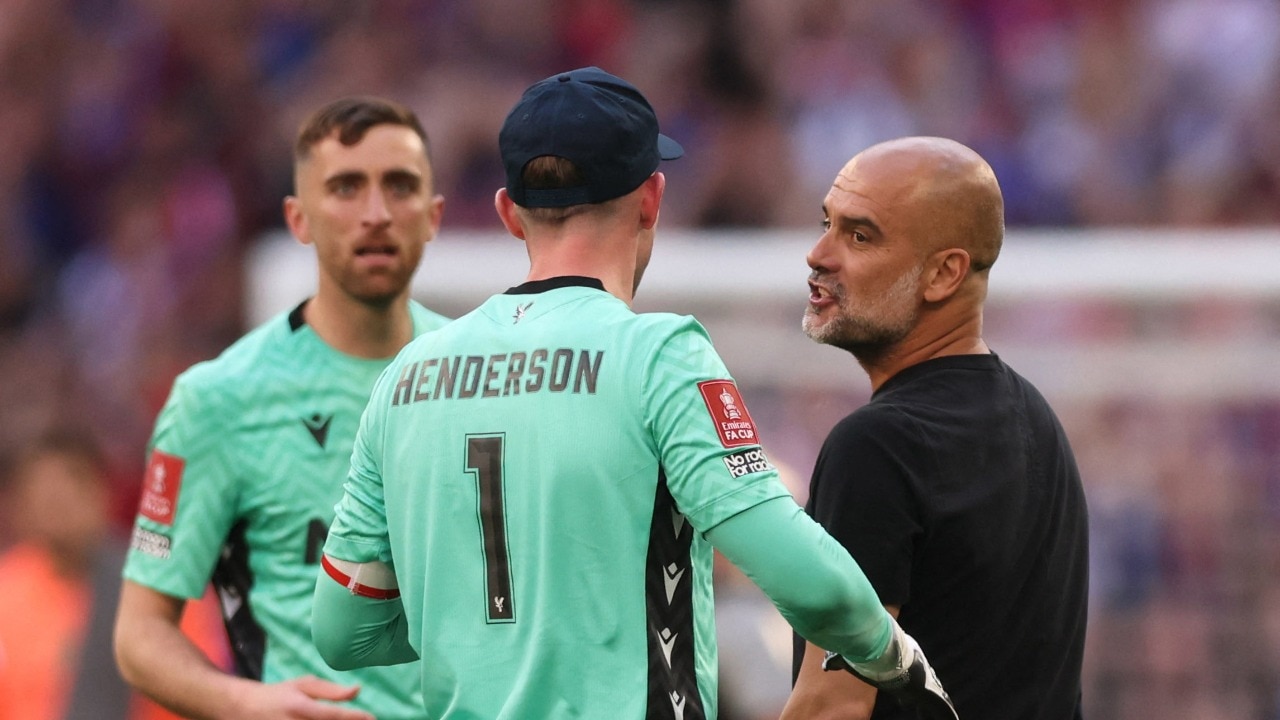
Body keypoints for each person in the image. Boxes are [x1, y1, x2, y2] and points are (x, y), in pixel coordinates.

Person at [309, 67, 957, 720]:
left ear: (510, 213)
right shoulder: (660, 357)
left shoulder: (405, 377)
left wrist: (469, 625)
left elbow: (343, 630)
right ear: (651, 198)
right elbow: (806, 580)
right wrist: (897, 659)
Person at [113, 96, 451, 720]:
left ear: (433, 215)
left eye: (399, 187)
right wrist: (244, 703)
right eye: (346, 187)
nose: (375, 214)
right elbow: (140, 636)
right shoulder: (218, 400)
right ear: (299, 219)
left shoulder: (479, 376)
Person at [782, 136, 1089, 720]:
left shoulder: (878, 448)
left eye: (859, 235)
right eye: (827, 223)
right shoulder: (1040, 423)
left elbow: (834, 707)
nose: (818, 254)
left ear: (944, 274)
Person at [0, 430, 227, 720]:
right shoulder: (6, 591)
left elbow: (201, 691)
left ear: (102, 490)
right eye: (44, 493)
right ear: (22, 505)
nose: (58, 505)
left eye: (71, 486)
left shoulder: (161, 584)